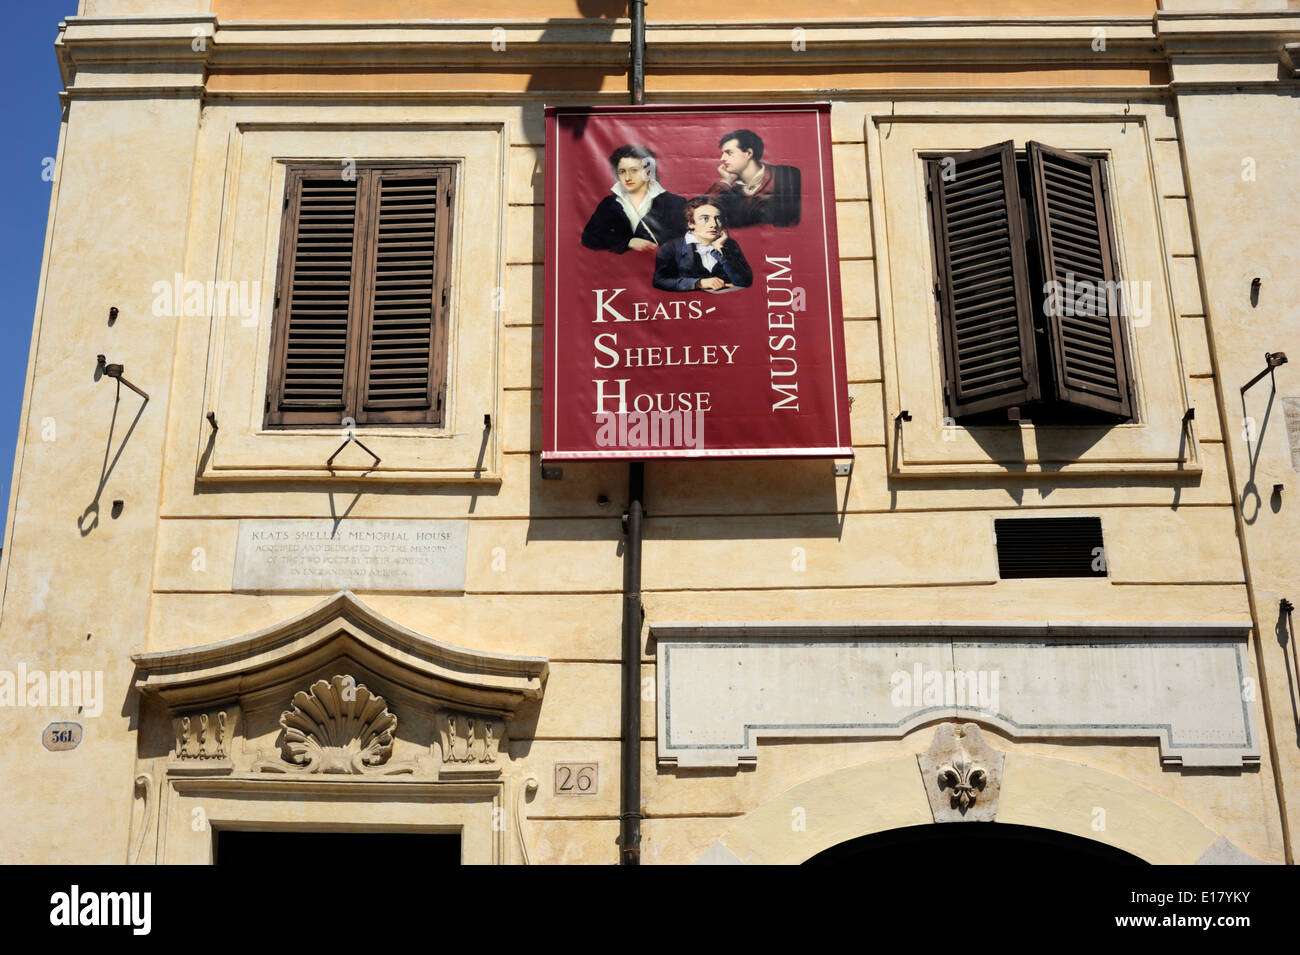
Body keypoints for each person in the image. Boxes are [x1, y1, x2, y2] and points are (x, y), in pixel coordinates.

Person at [581, 144, 686, 254]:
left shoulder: (675, 203)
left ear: (649, 172)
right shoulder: (610, 203)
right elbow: (588, 237)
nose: (627, 178)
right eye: (622, 171)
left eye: (634, 170)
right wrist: (629, 242)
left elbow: (685, 242)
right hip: (623, 267)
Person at [652, 197, 752, 292]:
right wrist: (699, 283)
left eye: (718, 218)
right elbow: (659, 282)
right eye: (705, 218)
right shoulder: (671, 247)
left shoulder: (730, 245)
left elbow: (745, 281)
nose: (713, 224)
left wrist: (721, 250)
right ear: (691, 223)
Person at [706, 129, 801, 228]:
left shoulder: (786, 176)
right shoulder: (730, 188)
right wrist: (726, 182)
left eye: (729, 153)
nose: (722, 158)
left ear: (748, 153)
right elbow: (701, 214)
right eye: (722, 153)